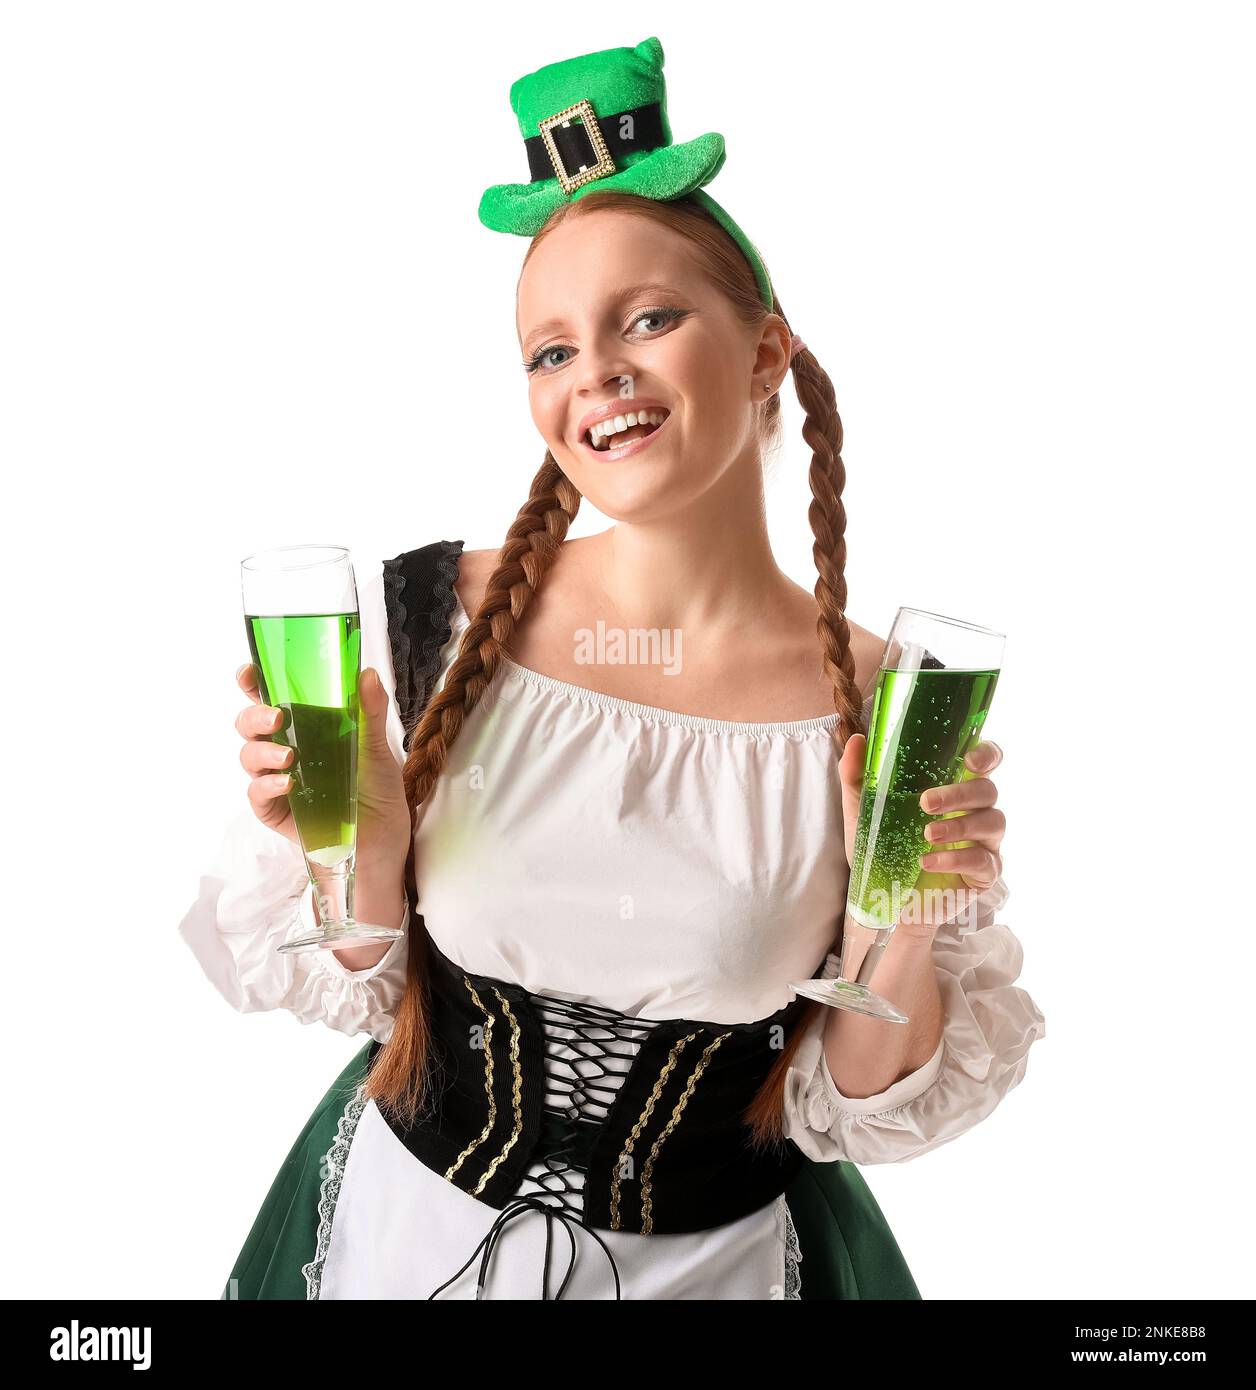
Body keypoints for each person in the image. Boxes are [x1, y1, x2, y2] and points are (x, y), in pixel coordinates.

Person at [180, 35, 1046, 1301]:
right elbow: (361, 974)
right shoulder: (433, 624)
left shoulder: (876, 702)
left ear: (762, 352)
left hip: (716, 1272)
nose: (598, 374)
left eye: (648, 317)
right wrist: (356, 837)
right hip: (400, 1248)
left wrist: (901, 932)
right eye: (551, 348)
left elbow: (855, 1096)